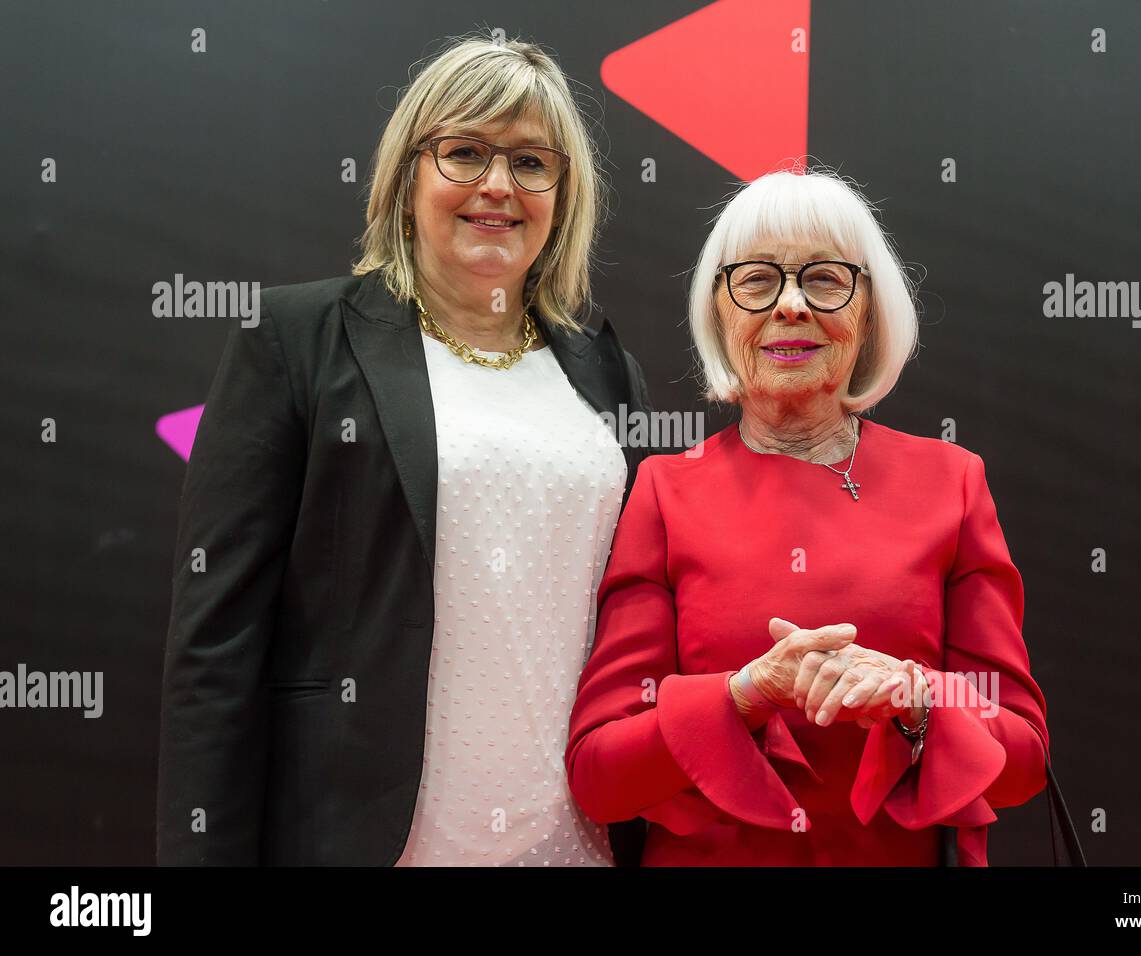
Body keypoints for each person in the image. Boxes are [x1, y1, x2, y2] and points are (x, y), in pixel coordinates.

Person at [157, 35, 654, 867]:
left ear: (564, 196)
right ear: (406, 174)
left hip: (578, 842)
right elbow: (216, 643)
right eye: (464, 153)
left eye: (532, 163)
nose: (498, 185)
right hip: (366, 842)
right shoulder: (295, 341)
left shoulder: (610, 370)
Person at [566, 168, 1050, 865]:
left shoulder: (952, 483)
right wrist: (745, 695)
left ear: (869, 313)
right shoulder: (664, 491)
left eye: (825, 280)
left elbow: (1024, 760)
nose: (791, 305)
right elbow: (600, 775)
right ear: (720, 312)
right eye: (757, 280)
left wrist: (917, 702)